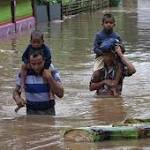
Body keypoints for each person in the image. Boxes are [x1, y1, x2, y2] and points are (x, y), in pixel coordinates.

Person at [13, 50, 64, 115]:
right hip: (30, 112)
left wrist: (49, 78)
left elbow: (61, 94)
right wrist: (18, 99)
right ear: (29, 63)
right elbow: (16, 92)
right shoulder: (23, 74)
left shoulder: (52, 71)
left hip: (49, 112)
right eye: (33, 64)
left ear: (44, 61)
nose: (36, 67)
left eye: (39, 63)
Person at [21, 30, 52, 95]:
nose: (36, 44)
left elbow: (49, 58)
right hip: (31, 65)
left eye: (38, 42)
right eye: (34, 42)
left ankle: (50, 92)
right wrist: (27, 63)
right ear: (30, 42)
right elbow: (23, 57)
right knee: (23, 66)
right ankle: (22, 85)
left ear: (43, 42)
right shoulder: (29, 47)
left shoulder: (45, 48)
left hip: (43, 66)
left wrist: (45, 67)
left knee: (47, 74)